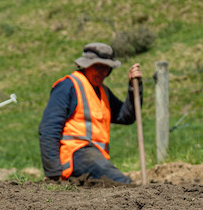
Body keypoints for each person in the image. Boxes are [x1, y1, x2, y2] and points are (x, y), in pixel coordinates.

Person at [39, 42, 143, 183]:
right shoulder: (68, 86)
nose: (102, 72)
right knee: (121, 182)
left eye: (106, 68)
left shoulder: (103, 91)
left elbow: (126, 116)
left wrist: (134, 88)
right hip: (75, 154)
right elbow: (49, 128)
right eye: (98, 67)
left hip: (95, 157)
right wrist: (53, 173)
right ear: (86, 65)